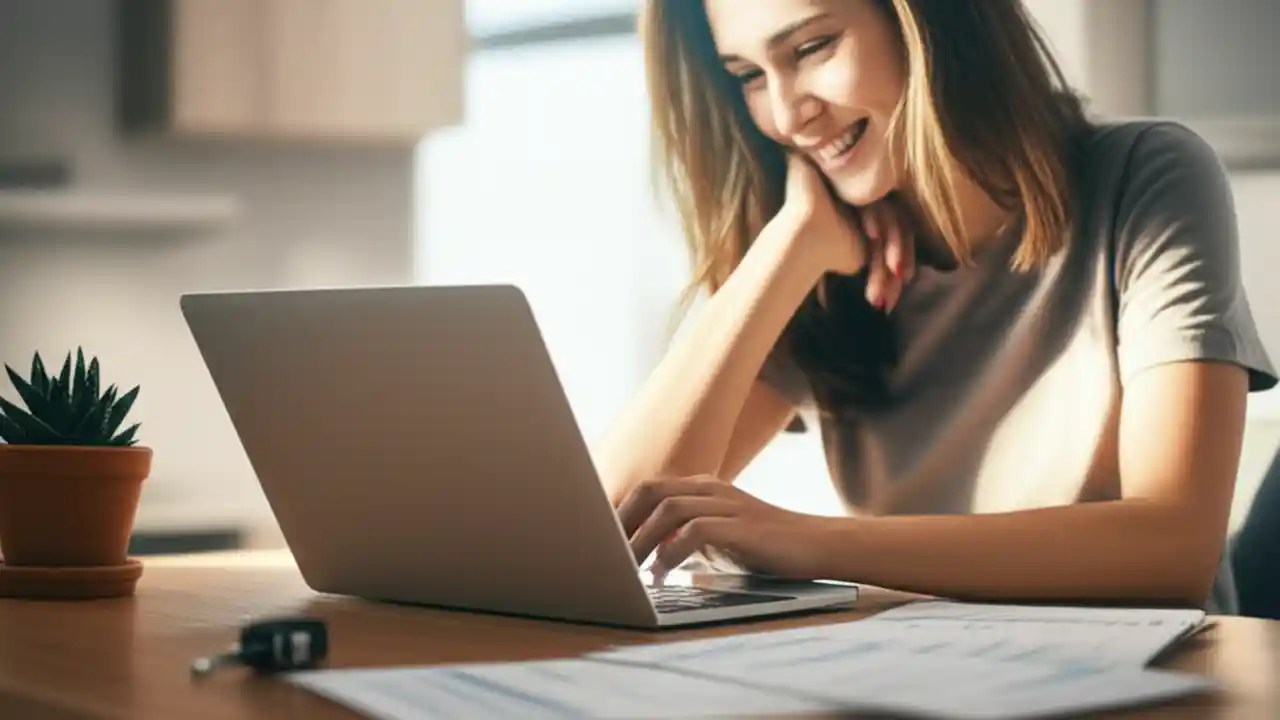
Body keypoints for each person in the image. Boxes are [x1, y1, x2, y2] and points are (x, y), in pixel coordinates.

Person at [594, 0, 1277, 612]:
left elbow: (1171, 548)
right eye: (748, 74)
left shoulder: (1143, 177)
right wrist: (787, 249)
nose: (787, 113)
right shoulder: (823, 259)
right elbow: (602, 531)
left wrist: (804, 540)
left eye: (811, 49)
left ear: (927, 22)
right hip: (936, 679)